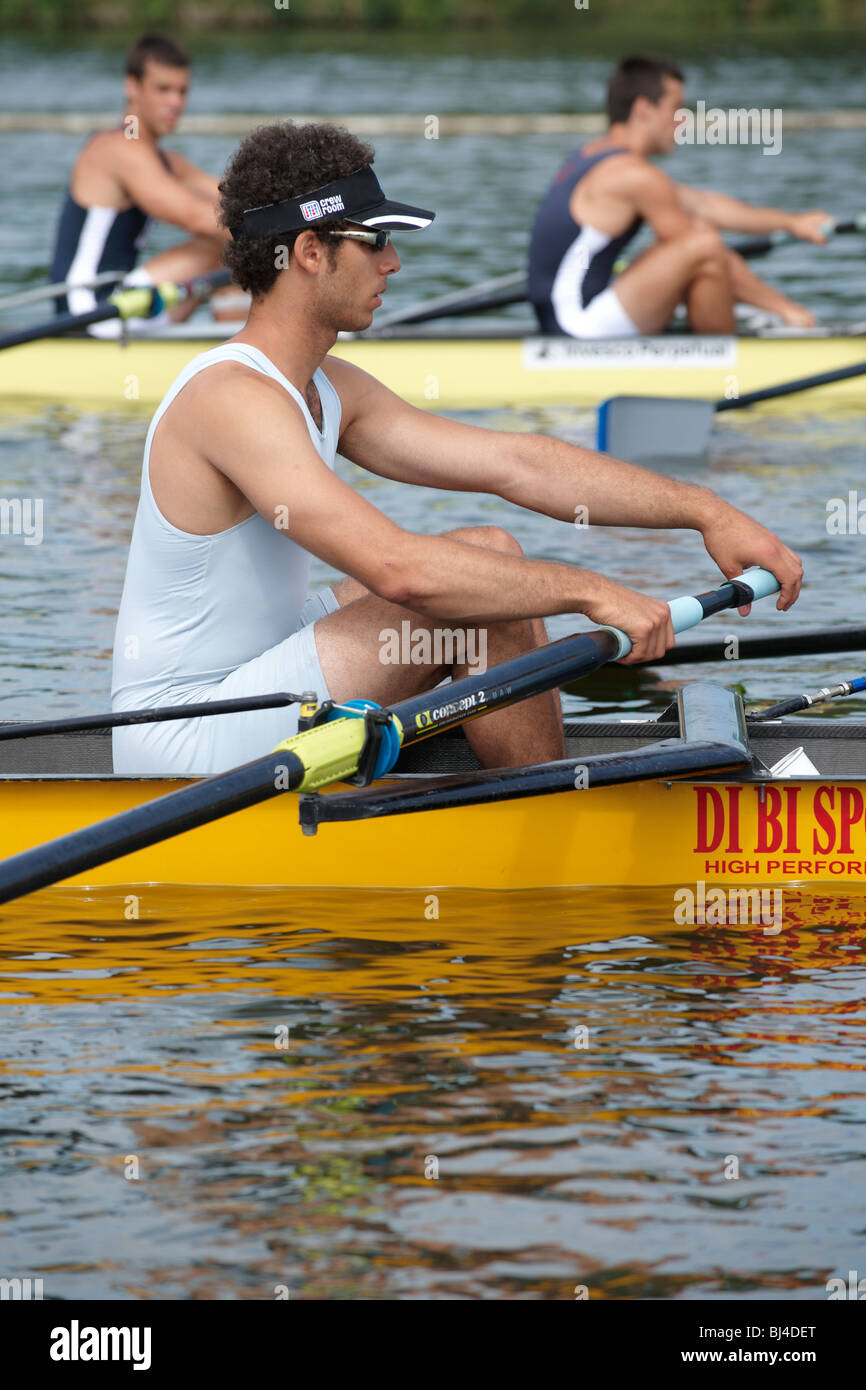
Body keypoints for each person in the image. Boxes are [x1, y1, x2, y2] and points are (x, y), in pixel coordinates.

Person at [111, 120, 802, 777]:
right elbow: (398, 571)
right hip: (187, 727)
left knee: (490, 551)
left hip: (263, 664)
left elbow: (518, 464)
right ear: (311, 252)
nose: (394, 262)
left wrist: (707, 512)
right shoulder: (233, 397)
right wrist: (593, 593)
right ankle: (550, 820)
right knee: (468, 599)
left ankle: (518, 778)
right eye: (375, 240)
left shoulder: (326, 384)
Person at [528, 54, 830, 338]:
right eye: (676, 108)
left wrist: (792, 223)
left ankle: (716, 347)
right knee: (704, 246)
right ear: (643, 109)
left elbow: (705, 205)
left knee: (683, 242)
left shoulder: (595, 156)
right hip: (576, 325)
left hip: (564, 314)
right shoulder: (634, 176)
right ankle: (724, 358)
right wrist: (785, 309)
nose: (682, 120)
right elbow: (706, 250)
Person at [49, 34, 230, 336]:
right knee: (229, 244)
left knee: (240, 245)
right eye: (163, 89)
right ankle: (242, 352)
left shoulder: (164, 161)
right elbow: (197, 218)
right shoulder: (116, 149)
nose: (176, 103)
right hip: (89, 312)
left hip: (125, 301)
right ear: (132, 86)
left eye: (182, 91)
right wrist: (280, 228)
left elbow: (234, 195)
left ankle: (236, 347)